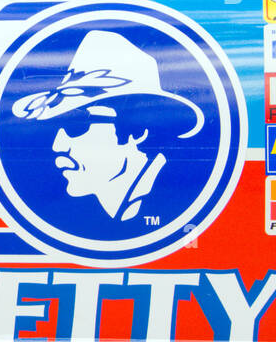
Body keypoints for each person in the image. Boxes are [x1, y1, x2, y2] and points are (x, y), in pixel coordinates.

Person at [11, 30, 204, 222]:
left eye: (76, 125)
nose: (58, 145)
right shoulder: (85, 217)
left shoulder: (170, 198)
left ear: (137, 130)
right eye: (56, 125)